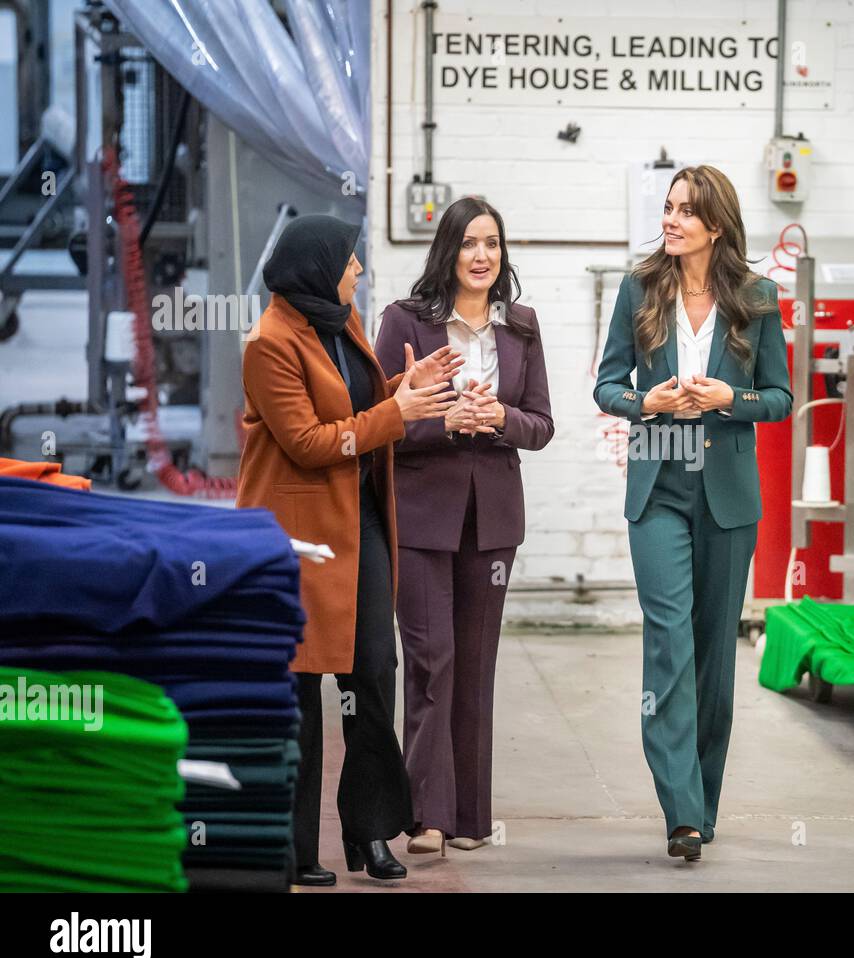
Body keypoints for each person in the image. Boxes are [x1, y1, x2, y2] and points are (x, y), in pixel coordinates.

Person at [236, 214, 461, 886]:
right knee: (301, 691)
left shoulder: (339, 317)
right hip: (297, 538)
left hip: (357, 522)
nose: (359, 268)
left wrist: (404, 389)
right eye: (351, 259)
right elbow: (308, 441)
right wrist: (399, 416)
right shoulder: (268, 342)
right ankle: (297, 852)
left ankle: (369, 832)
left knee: (372, 676)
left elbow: (355, 406)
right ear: (318, 266)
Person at [593, 166, 792, 861]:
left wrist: (725, 401)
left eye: (685, 211)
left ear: (716, 225)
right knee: (670, 640)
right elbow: (607, 383)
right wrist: (646, 403)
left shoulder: (758, 299)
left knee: (715, 655)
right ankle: (680, 809)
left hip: (728, 497)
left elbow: (780, 398)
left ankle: (702, 805)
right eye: (668, 208)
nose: (671, 220)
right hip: (659, 491)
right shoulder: (639, 289)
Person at [375, 196, 553, 857]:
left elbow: (540, 423)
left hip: (492, 522)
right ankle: (426, 816)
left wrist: (497, 419)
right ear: (446, 251)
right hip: (421, 518)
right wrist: (441, 421)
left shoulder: (523, 326)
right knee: (430, 661)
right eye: (470, 243)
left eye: (493, 244)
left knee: (475, 667)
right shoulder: (405, 322)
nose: (482, 256)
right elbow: (377, 418)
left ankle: (470, 817)